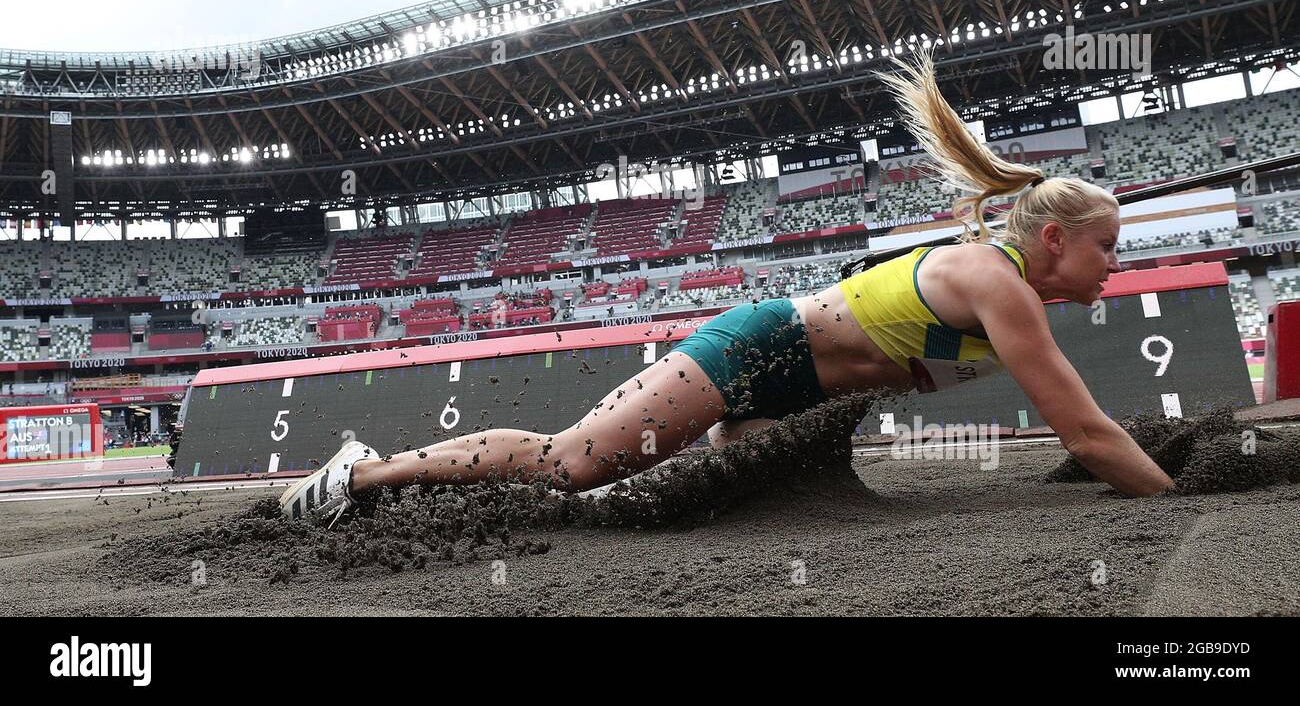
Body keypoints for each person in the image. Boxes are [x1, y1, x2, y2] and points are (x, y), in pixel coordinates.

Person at [281, 52, 1174, 524]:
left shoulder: (1005, 282)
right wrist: (1182, 496)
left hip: (790, 394)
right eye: (1108, 245)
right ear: (1052, 239)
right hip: (758, 349)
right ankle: (357, 474)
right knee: (570, 465)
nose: (1115, 264)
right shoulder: (997, 278)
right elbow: (1088, 432)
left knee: (719, 502)